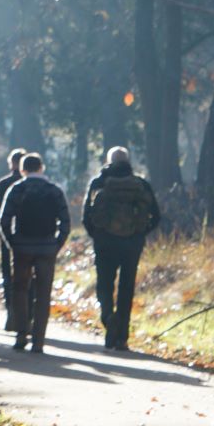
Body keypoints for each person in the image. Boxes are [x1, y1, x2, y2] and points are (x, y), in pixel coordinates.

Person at [83, 146, 162, 352]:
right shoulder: (141, 184)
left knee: (104, 285)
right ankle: (122, 339)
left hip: (105, 243)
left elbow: (86, 216)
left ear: (108, 161)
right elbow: (156, 216)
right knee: (126, 288)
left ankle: (109, 318)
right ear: (128, 162)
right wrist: (139, 233)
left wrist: (98, 235)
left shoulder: (98, 183)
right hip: (132, 243)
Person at [0, 153, 72, 354]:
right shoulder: (54, 191)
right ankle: (38, 340)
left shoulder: (17, 189)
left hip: (22, 247)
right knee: (43, 294)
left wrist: (12, 242)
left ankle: (21, 334)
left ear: (23, 169)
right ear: (42, 168)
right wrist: (56, 244)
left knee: (20, 290)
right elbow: (65, 222)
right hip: (47, 247)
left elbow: (3, 221)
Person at [0, 150, 25, 330]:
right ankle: (26, 315)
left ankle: (11, 313)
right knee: (28, 277)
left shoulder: (4, 183)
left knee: (8, 275)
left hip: (8, 237)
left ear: (11, 163)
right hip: (30, 237)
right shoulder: (39, 184)